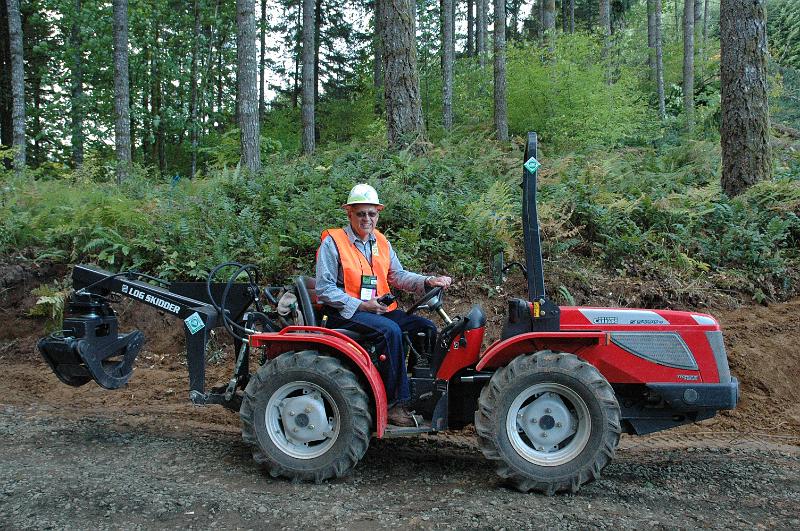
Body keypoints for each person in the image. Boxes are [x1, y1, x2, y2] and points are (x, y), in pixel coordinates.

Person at [315, 184, 452, 427]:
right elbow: (325, 290)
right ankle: (393, 404)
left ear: (378, 214)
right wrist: (361, 305)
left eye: (372, 214)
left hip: (377, 309)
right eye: (361, 213)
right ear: (349, 214)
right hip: (343, 312)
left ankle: (419, 393)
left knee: (426, 328)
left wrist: (426, 281)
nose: (367, 219)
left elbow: (397, 276)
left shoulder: (381, 242)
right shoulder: (333, 243)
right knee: (390, 332)